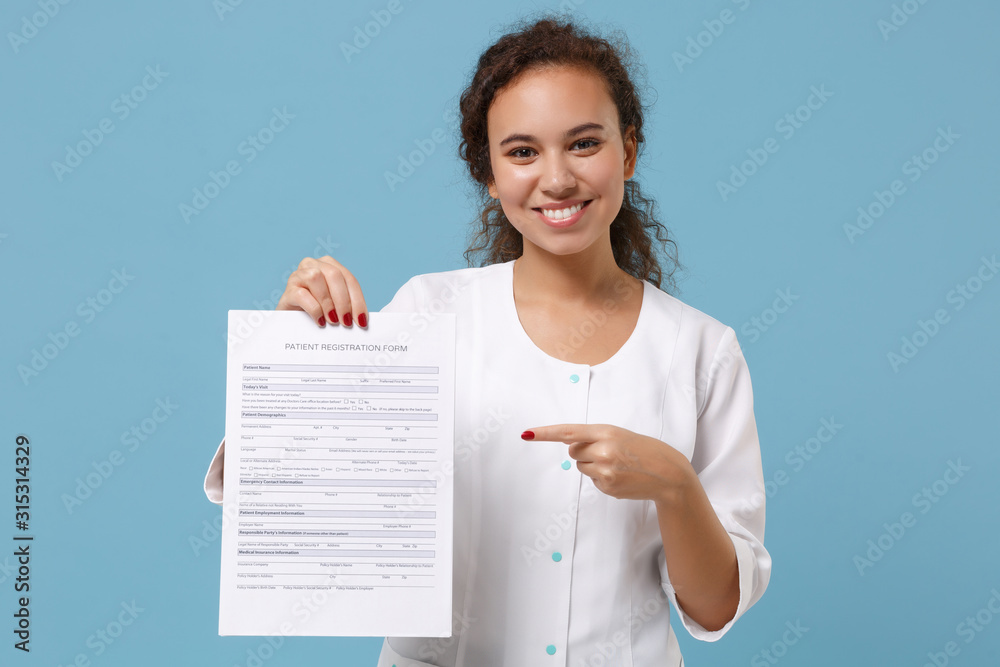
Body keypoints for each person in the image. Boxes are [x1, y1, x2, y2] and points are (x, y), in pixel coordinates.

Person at [204, 13, 771, 666]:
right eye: (522, 151)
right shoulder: (426, 316)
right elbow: (292, 500)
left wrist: (674, 483)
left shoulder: (702, 350)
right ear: (489, 171)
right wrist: (293, 360)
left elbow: (716, 605)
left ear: (630, 149)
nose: (556, 179)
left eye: (584, 143)